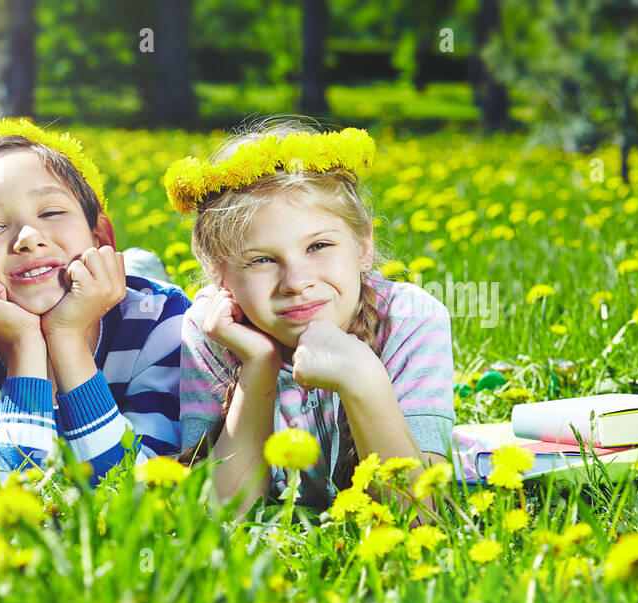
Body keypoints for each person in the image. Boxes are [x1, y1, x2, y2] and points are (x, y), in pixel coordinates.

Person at [170, 117, 455, 513]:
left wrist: (363, 379)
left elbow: (418, 513)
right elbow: (222, 515)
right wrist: (257, 366)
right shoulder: (213, 333)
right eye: (262, 259)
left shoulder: (412, 319)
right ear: (220, 275)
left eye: (318, 245)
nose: (297, 282)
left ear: (363, 247)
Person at [0, 117, 188, 486]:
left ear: (101, 240)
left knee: (141, 276)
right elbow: (9, 496)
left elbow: (138, 489)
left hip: (131, 294)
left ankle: (141, 264)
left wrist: (66, 339)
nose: (29, 238)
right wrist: (23, 347)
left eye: (50, 212)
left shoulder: (162, 321)